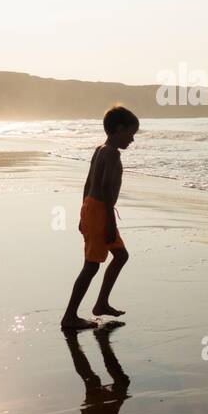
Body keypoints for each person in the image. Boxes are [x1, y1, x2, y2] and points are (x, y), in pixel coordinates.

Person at [62, 104, 139, 329]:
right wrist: (110, 223)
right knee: (91, 266)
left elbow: (88, 183)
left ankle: (101, 303)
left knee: (121, 256)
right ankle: (69, 317)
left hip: (91, 208)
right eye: (130, 134)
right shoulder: (112, 154)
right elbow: (105, 188)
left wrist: (82, 213)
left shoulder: (100, 149)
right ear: (117, 129)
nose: (132, 140)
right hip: (100, 212)